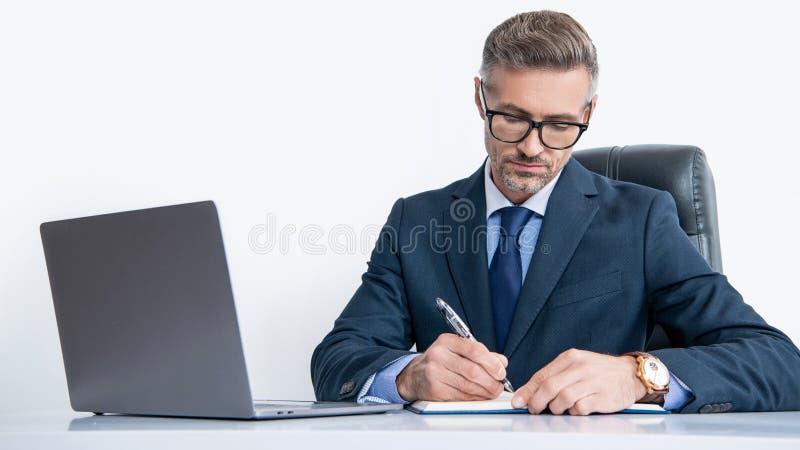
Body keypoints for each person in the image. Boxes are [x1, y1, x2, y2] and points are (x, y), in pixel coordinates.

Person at [310, 10, 800, 414]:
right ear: (481, 100)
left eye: (560, 125)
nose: (532, 147)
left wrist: (638, 375)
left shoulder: (643, 219)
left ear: (587, 114)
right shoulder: (415, 222)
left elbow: (781, 363)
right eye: (513, 118)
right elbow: (336, 361)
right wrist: (410, 376)